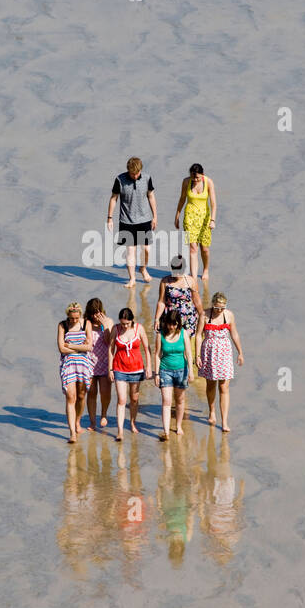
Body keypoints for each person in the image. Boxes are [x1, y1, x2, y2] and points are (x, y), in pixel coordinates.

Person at [195, 292, 244, 432]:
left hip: (225, 353)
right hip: (209, 352)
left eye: (222, 308)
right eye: (217, 308)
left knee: (224, 387)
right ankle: (211, 411)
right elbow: (198, 335)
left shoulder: (229, 315)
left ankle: (224, 421)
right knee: (211, 385)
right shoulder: (204, 315)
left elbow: (234, 334)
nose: (219, 311)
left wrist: (240, 352)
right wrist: (197, 356)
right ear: (213, 304)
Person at [108, 157, 157, 287]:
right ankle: (132, 279)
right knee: (131, 251)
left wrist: (155, 216)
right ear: (128, 171)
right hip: (127, 221)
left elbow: (151, 196)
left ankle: (143, 268)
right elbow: (114, 198)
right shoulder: (120, 180)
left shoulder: (147, 178)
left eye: (137, 173)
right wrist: (109, 218)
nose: (135, 176)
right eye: (132, 174)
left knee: (146, 249)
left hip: (145, 219)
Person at [107, 307, 152, 441]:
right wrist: (110, 369)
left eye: (127, 323)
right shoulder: (116, 329)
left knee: (134, 399)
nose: (125, 326)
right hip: (119, 368)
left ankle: (132, 422)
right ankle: (120, 431)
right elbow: (111, 349)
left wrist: (149, 366)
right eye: (122, 323)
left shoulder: (139, 328)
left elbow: (147, 348)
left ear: (132, 320)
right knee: (121, 400)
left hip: (136, 369)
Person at [155, 255, 202, 372]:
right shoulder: (165, 281)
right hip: (170, 318)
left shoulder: (191, 281)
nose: (176, 274)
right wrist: (156, 319)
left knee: (186, 345)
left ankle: (188, 372)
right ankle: (168, 368)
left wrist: (202, 315)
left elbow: (196, 300)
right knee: (169, 343)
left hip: (188, 318)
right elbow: (161, 302)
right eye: (174, 271)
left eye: (179, 271)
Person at [57, 302, 95, 443]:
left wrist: (71, 346)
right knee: (70, 396)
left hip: (84, 364)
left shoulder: (86, 324)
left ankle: (78, 421)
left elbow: (89, 346)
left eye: (76, 318)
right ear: (68, 316)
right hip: (68, 364)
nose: (74, 321)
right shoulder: (62, 326)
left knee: (81, 395)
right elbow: (61, 349)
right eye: (72, 318)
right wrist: (80, 347)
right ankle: (72, 432)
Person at [173, 163, 217, 280]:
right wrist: (177, 215)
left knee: (205, 248)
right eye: (193, 177)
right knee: (193, 248)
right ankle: (193, 277)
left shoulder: (208, 182)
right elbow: (182, 199)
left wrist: (212, 220)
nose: (196, 180)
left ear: (202, 174)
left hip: (204, 218)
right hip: (190, 217)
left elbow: (213, 203)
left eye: (197, 177)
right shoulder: (186, 182)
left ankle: (206, 269)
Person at [153, 309, 190, 441]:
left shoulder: (183, 334)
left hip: (181, 370)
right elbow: (157, 354)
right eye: (170, 324)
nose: (172, 327)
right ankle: (166, 431)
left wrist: (190, 371)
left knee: (180, 400)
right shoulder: (160, 335)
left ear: (178, 324)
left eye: (174, 324)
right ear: (166, 323)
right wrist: (156, 373)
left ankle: (178, 425)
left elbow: (188, 354)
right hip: (165, 370)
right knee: (166, 401)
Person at [83, 297, 113, 431]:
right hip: (89, 362)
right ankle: (92, 421)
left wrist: (105, 326)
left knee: (105, 392)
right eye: (93, 313)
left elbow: (109, 342)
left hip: (105, 362)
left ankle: (104, 414)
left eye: (97, 312)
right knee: (92, 392)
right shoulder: (85, 324)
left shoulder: (108, 322)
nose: (95, 316)